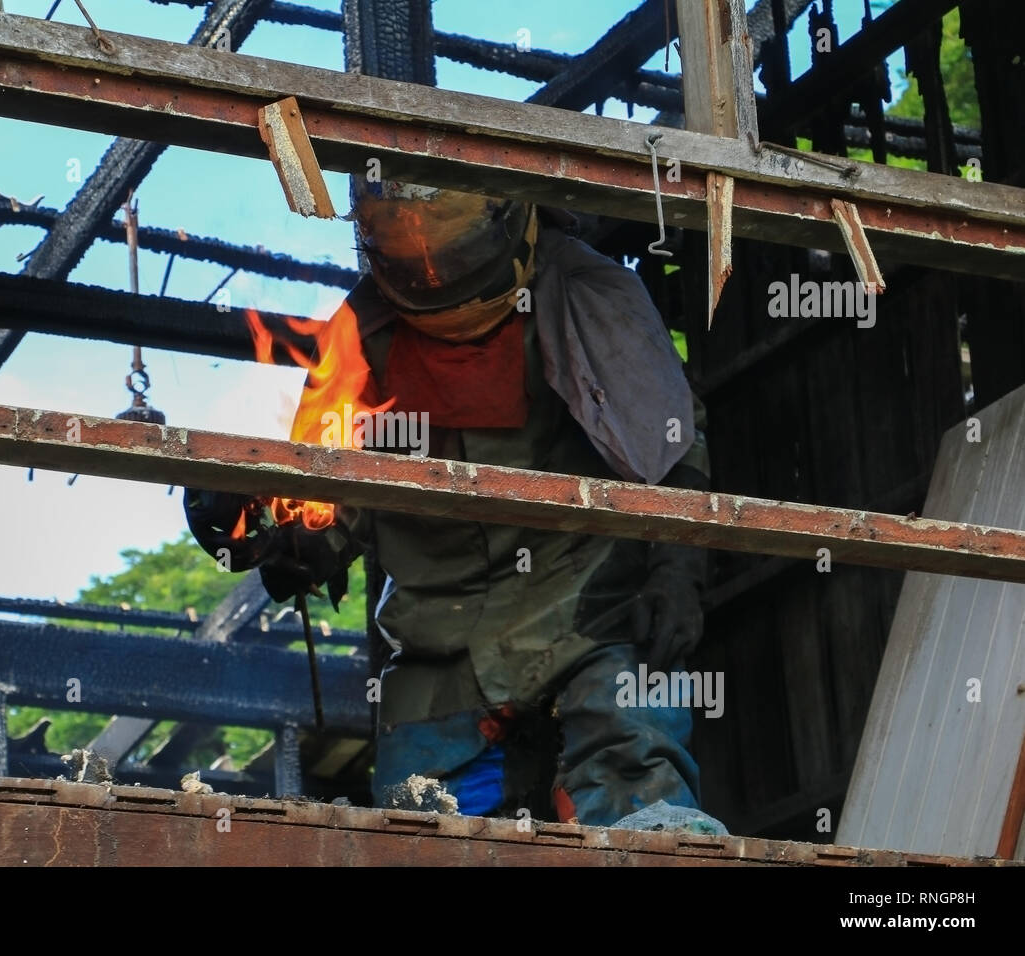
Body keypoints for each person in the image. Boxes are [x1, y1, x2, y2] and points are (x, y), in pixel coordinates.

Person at [186, 182, 714, 827]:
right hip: (439, 639)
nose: (434, 278)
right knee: (420, 826)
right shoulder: (364, 334)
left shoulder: (586, 291)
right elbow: (337, 491)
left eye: (450, 258)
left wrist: (678, 566)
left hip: (588, 608)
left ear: (511, 224)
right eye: (415, 264)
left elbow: (668, 437)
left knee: (638, 788)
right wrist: (292, 544)